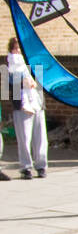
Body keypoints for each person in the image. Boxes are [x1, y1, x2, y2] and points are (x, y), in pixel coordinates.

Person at [6, 37, 47, 178]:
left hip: (37, 103)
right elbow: (6, 91)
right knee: (24, 139)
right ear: (11, 50)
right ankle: (26, 168)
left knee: (40, 138)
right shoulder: (8, 66)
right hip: (21, 107)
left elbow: (42, 83)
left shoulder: (34, 63)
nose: (18, 51)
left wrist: (35, 82)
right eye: (16, 48)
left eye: (20, 48)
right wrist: (20, 82)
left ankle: (41, 166)